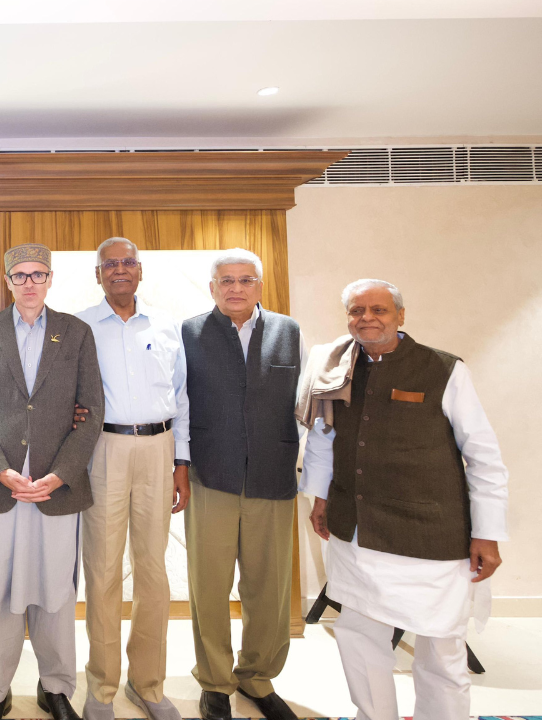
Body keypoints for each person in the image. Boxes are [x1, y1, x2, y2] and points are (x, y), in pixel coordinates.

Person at [298, 279, 508, 720]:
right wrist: (320, 498)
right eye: (357, 311)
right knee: (358, 633)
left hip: (431, 534)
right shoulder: (336, 369)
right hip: (356, 530)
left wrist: (487, 533)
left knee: (441, 645)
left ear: (400, 315)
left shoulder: (443, 369)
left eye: (379, 310)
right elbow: (323, 435)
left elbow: (483, 455)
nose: (367, 318)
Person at [0, 243, 104, 720]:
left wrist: (60, 475)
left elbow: (92, 410)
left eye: (37, 274)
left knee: (56, 592)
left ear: (50, 279)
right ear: (6, 281)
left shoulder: (76, 332)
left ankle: (56, 688)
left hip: (54, 488)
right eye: (19, 275)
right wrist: (0, 469)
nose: (28, 283)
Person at [180, 248, 302, 720]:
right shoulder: (190, 332)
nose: (235, 288)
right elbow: (178, 402)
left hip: (273, 475)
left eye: (245, 279)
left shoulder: (288, 332)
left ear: (259, 286)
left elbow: (305, 401)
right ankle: (215, 681)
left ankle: (258, 677)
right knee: (209, 586)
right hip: (211, 475)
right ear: (212, 287)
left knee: (269, 588)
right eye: (226, 280)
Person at [73, 238, 189, 720]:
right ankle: (101, 688)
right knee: (102, 571)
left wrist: (182, 462)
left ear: (140, 271)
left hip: (159, 448)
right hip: (104, 448)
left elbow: (182, 396)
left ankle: (148, 684)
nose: (119, 270)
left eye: (127, 263)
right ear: (98, 274)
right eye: (110, 264)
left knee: (153, 571)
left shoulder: (167, 325)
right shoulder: (79, 326)